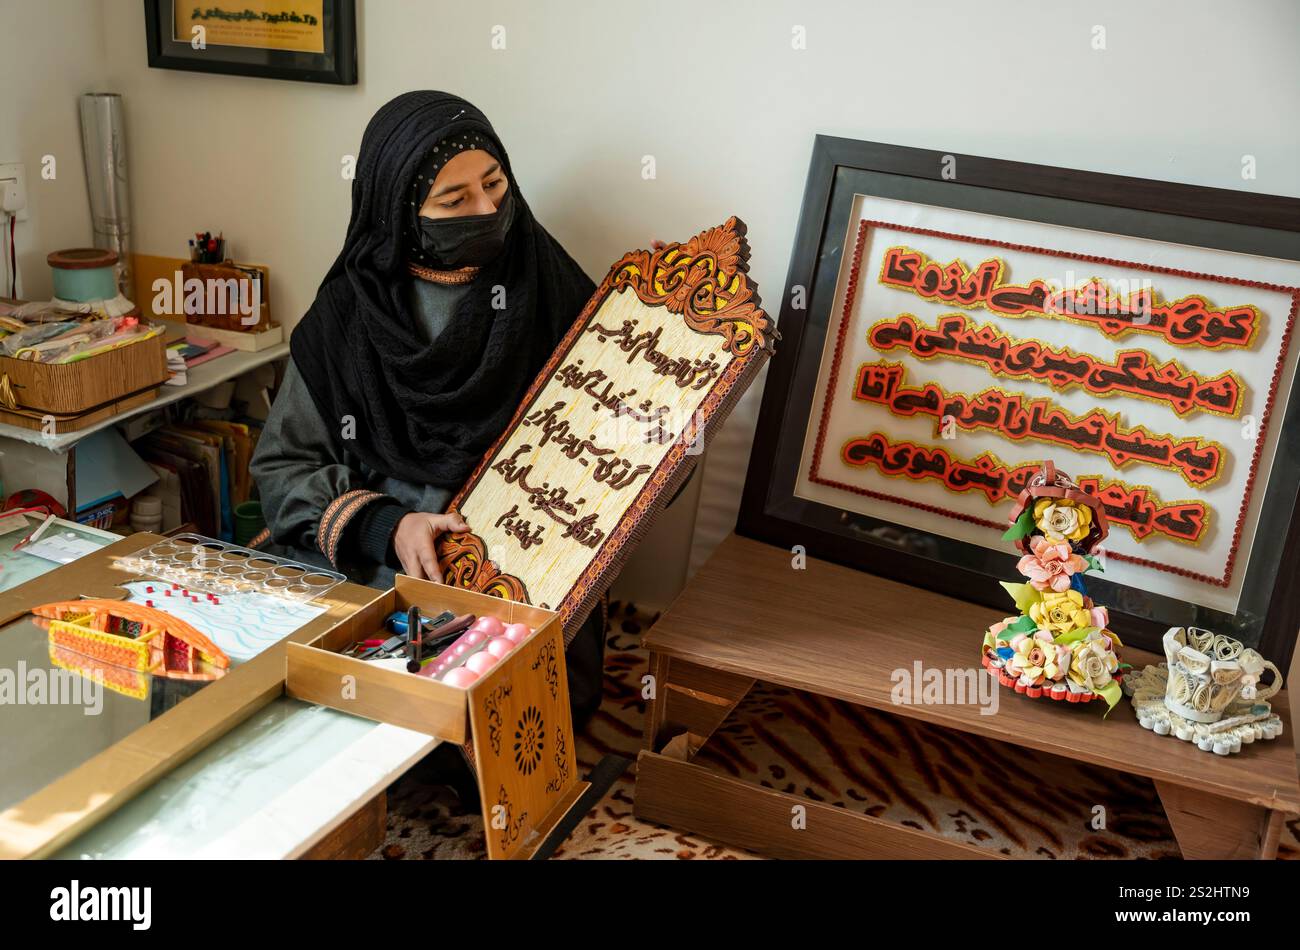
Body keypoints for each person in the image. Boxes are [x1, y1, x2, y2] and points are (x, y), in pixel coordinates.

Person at [250, 91, 616, 725]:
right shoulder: (348, 318)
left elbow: (619, 434)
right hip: (389, 564)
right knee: (340, 699)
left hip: (518, 563)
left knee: (522, 711)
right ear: (398, 211)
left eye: (496, 183)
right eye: (454, 201)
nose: (488, 210)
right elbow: (283, 468)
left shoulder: (551, 285)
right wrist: (386, 526)